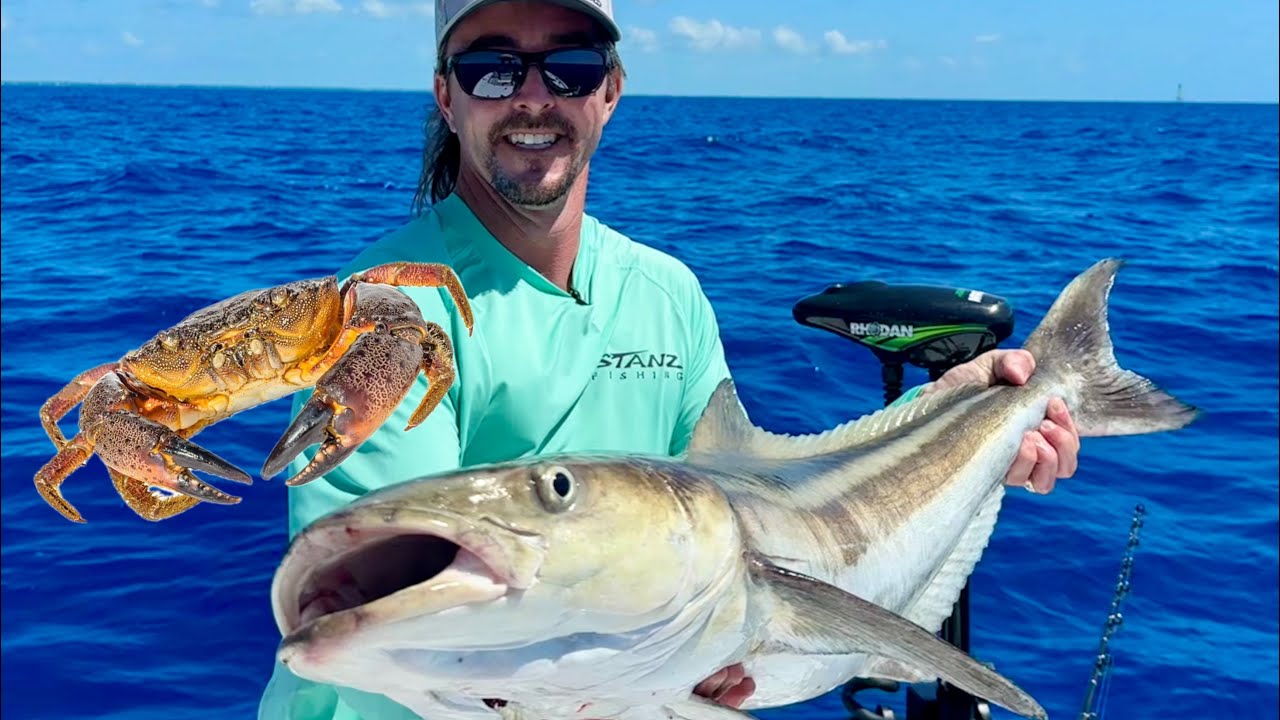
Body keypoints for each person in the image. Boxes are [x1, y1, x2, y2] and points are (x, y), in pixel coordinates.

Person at [257, 0, 1081, 717]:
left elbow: (738, 484)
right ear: (446, 96)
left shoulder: (667, 293)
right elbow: (381, 617)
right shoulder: (383, 318)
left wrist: (969, 413)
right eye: (493, 70)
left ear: (611, 93)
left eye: (571, 67)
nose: (535, 96)